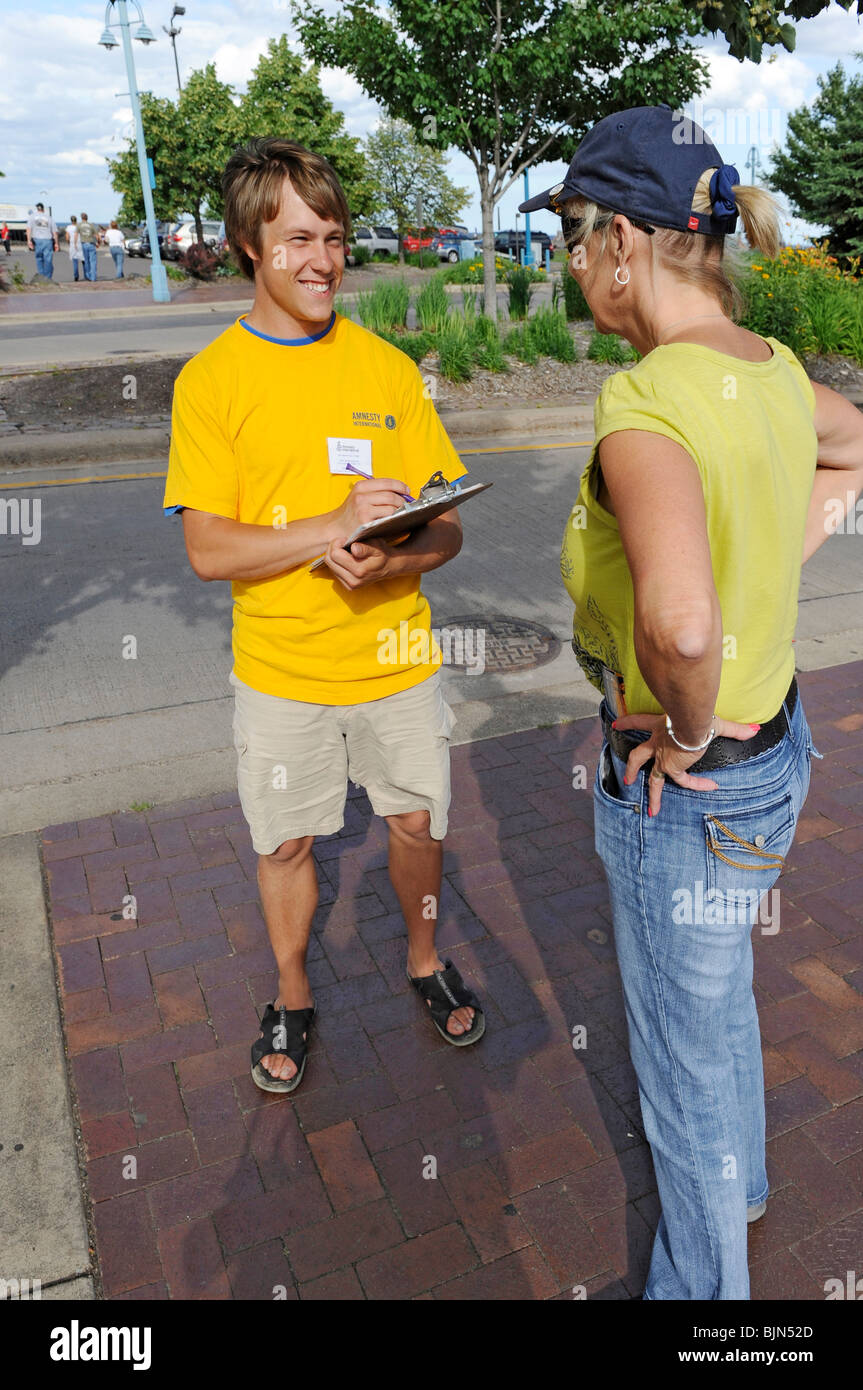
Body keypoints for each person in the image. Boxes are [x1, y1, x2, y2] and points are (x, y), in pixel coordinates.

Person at [521, 104, 863, 1300]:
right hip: (775, 754)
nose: (571, 265)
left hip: (692, 786)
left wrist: (677, 727)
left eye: (573, 239)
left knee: (679, 1062)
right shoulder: (771, 370)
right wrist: (779, 551)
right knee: (714, 1015)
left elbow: (675, 628)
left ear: (622, 241)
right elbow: (850, 446)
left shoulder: (646, 400)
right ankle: (745, 1187)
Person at [163, 136, 485, 1096]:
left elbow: (447, 527)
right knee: (287, 842)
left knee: (417, 825)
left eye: (335, 238)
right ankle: (292, 992)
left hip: (397, 662)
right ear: (249, 245)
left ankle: (423, 960)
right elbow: (208, 549)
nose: (323, 260)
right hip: (281, 677)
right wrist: (330, 527)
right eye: (298, 239)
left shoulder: (386, 370)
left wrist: (393, 557)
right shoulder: (211, 381)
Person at [26, 202, 59, 278]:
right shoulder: (49, 218)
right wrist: (56, 243)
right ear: (43, 209)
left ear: (37, 209)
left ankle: (41, 276)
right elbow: (55, 232)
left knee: (39, 259)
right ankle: (47, 278)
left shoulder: (32, 217)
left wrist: (29, 240)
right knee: (48, 260)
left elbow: (28, 229)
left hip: (37, 240)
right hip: (47, 240)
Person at [77, 213, 98, 281]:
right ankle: (93, 277)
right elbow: (96, 235)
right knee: (93, 261)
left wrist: (75, 244)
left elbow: (76, 234)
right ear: (87, 218)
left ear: (81, 218)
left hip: (84, 244)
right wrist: (98, 242)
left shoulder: (79, 225)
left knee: (86, 261)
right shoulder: (91, 225)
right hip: (91, 244)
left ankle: (88, 276)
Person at [65, 216, 84, 281]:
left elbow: (67, 237)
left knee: (75, 260)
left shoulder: (69, 227)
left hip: (73, 244)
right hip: (80, 243)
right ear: (76, 220)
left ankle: (76, 276)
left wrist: (68, 243)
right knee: (83, 260)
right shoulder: (79, 226)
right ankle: (86, 274)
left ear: (71, 220)